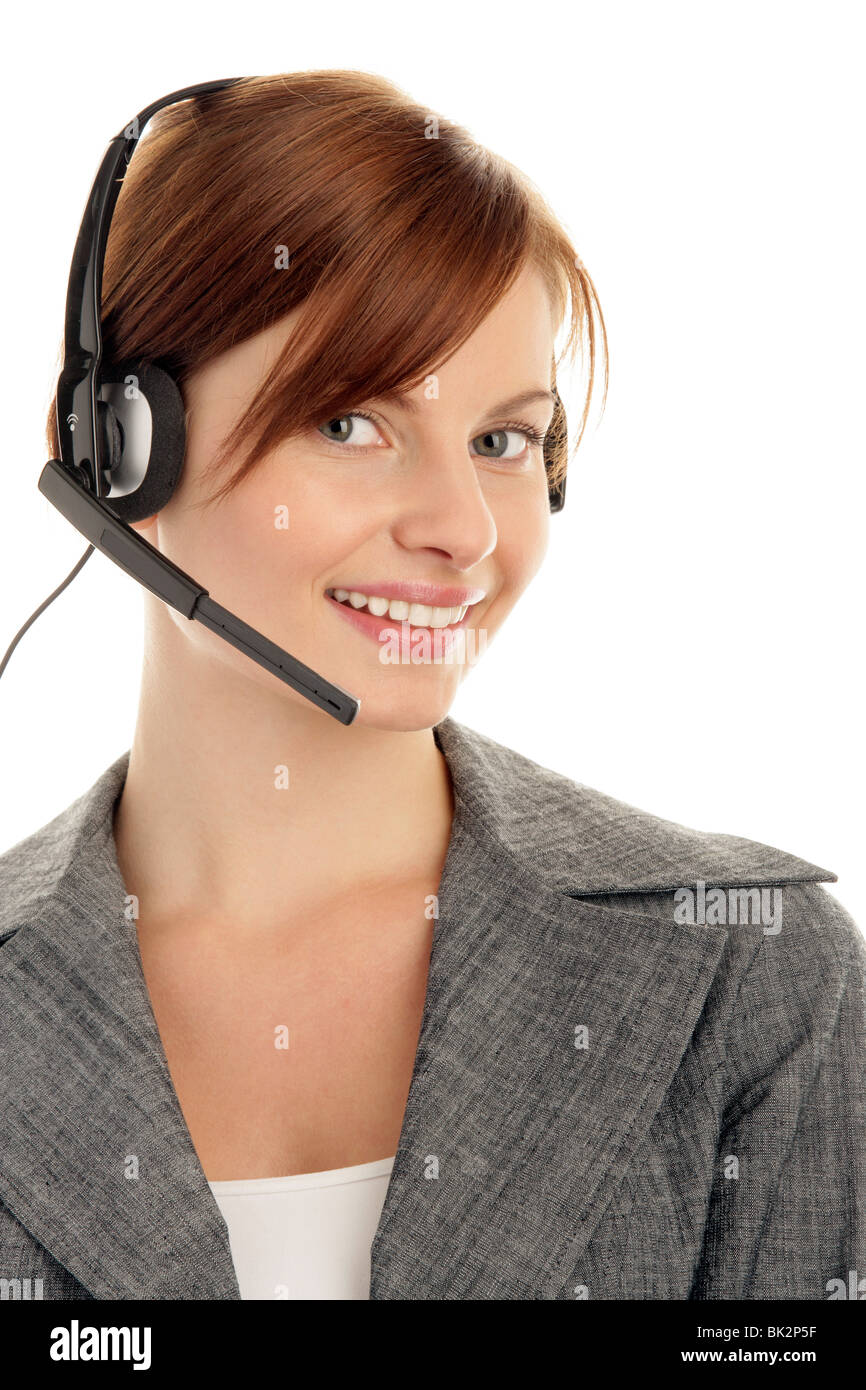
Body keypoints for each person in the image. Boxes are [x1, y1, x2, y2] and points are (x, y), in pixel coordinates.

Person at [0, 72, 862, 1302]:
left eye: (503, 441)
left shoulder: (752, 979)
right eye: (352, 422)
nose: (463, 527)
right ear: (116, 448)